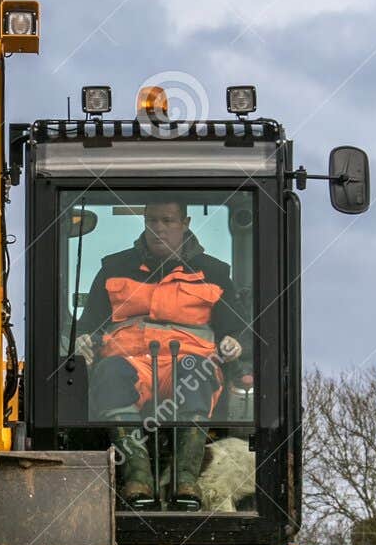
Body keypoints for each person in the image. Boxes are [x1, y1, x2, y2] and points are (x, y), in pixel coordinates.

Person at [72, 199, 248, 506]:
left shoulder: (215, 274)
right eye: (152, 220)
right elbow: (89, 325)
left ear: (186, 223)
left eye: (167, 221)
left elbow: (236, 329)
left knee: (196, 371)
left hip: (188, 364)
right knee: (110, 373)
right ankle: (138, 479)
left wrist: (234, 342)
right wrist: (85, 339)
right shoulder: (113, 268)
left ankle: (186, 483)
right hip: (129, 364)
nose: (159, 228)